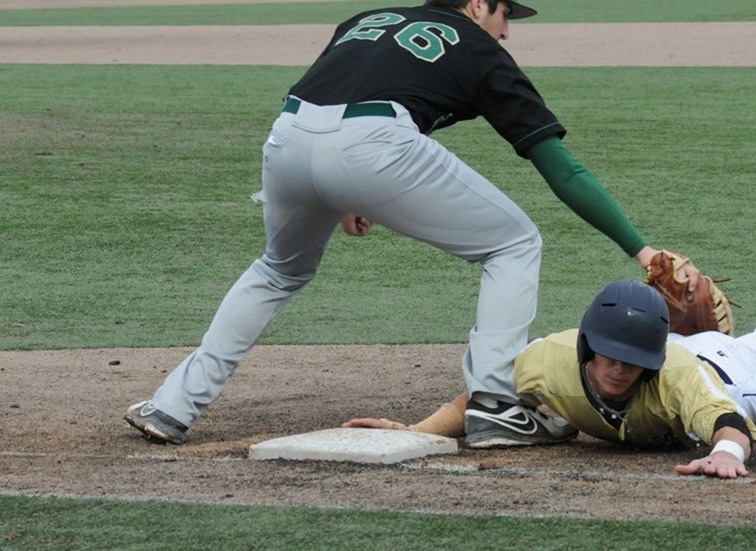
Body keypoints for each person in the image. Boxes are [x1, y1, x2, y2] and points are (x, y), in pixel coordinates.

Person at [123, 0, 701, 448]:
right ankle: (496, 403)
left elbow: (346, 96)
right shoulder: (480, 48)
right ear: (477, 4)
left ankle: (173, 406)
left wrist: (347, 190)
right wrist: (641, 249)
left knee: (278, 271)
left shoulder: (365, 20)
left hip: (289, 137)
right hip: (374, 144)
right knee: (514, 244)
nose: (506, 29)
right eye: (504, 11)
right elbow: (560, 167)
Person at [345, 279, 756, 479]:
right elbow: (477, 398)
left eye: (633, 359)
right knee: (751, 346)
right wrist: (415, 431)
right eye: (609, 355)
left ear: (652, 357)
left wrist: (728, 455)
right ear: (588, 345)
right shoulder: (547, 359)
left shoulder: (674, 372)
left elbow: (728, 420)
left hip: (731, 376)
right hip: (705, 346)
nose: (619, 367)